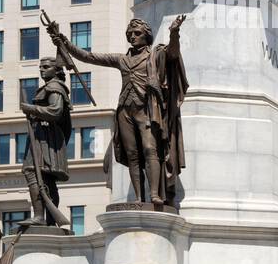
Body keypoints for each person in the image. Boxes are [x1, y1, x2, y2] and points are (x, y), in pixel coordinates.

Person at [45, 14, 188, 208]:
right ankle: (138, 197)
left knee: (149, 149)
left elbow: (173, 54)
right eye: (130, 34)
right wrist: (64, 41)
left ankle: (154, 194)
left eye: (137, 33)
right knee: (132, 154)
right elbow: (88, 57)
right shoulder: (122, 59)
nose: (133, 36)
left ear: (146, 35)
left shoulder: (155, 55)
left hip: (145, 109)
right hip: (124, 111)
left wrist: (174, 33)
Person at [19, 55, 72, 226]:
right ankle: (48, 219)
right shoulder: (51, 87)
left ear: (56, 70)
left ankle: (40, 216)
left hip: (45, 138)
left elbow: (55, 111)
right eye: (40, 67)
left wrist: (31, 108)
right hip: (42, 135)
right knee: (45, 178)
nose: (42, 69)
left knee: (32, 171)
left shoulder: (55, 87)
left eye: (46, 67)